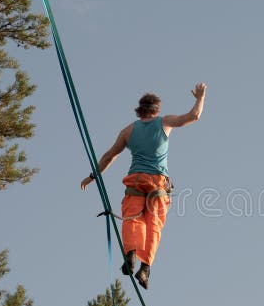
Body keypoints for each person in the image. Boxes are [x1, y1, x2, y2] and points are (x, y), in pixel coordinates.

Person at [80, 83, 207, 289]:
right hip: (158, 184)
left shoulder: (128, 131)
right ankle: (145, 269)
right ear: (156, 109)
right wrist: (200, 97)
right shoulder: (164, 123)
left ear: (139, 110)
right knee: (154, 226)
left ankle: (131, 254)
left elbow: (109, 156)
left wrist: (92, 176)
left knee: (132, 219)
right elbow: (193, 116)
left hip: (136, 181)